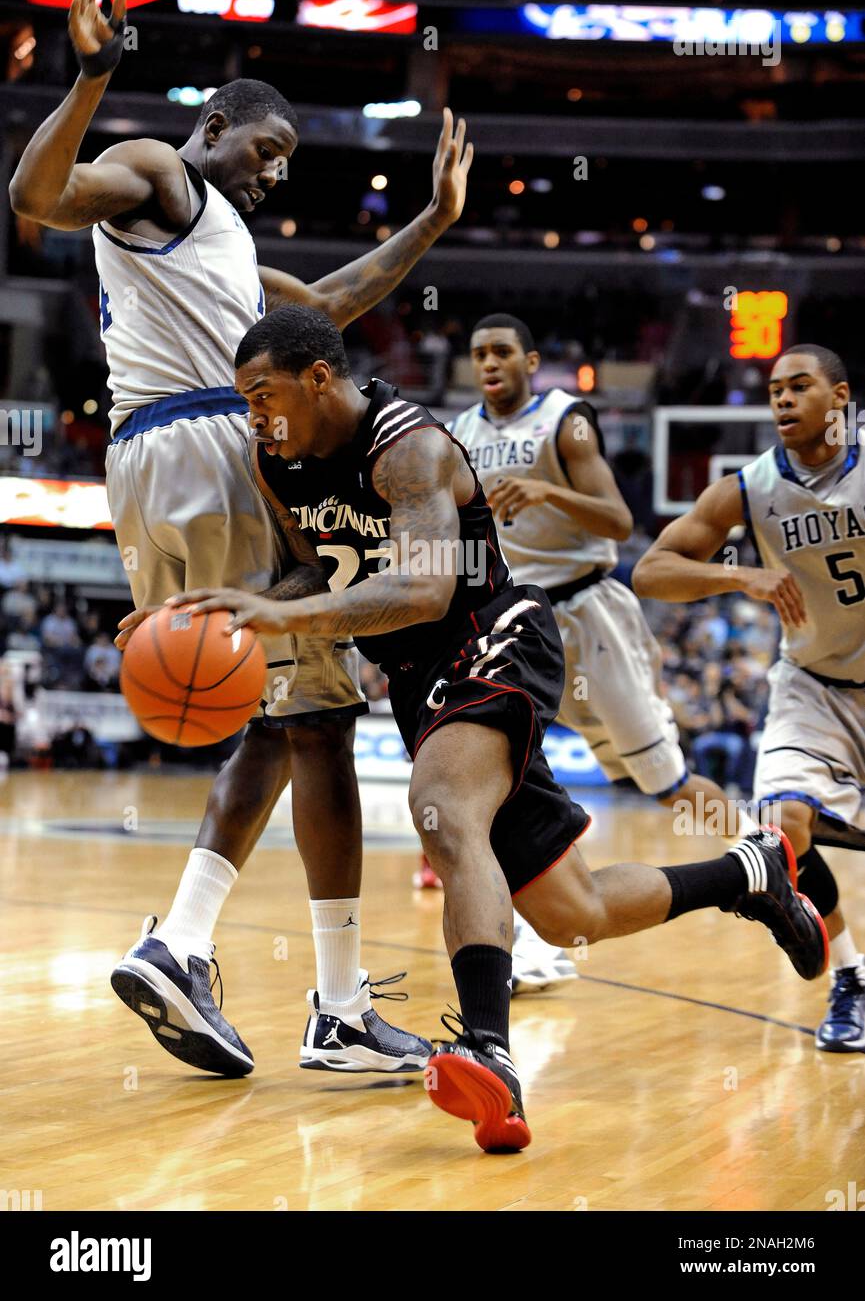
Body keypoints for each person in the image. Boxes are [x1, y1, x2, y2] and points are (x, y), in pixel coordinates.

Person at [150, 303, 827, 1152]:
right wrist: (218, 617)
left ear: (318, 378)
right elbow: (318, 573)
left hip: (492, 636)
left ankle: (489, 1054)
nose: (252, 416)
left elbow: (425, 589)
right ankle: (748, 873)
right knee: (573, 913)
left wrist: (284, 618)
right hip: (416, 681)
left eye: (261, 396)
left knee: (441, 808)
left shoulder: (410, 448)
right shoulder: (274, 461)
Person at [10, 0, 473, 1077]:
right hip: (213, 442)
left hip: (147, 462)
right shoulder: (159, 173)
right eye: (267, 149)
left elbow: (328, 309)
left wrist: (431, 221)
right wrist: (94, 77)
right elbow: (35, 199)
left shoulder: (220, 240)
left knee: (277, 713)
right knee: (318, 717)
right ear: (215, 125)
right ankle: (334, 1004)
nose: (275, 171)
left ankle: (187, 943)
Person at [446, 314, 754, 991]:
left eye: (502, 352)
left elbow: (619, 521)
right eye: (478, 354)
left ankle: (763, 852)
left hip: (589, 612)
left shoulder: (566, 421)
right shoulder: (461, 432)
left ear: (531, 362)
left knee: (665, 781)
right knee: (500, 781)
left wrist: (547, 490)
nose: (489, 363)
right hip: (517, 622)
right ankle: (531, 942)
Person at [633, 343, 865, 1053]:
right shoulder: (750, 486)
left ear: (840, 397)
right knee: (782, 821)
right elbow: (652, 570)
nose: (783, 399)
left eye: (800, 386)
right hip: (813, 684)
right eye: (774, 390)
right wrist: (741, 578)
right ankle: (850, 978)